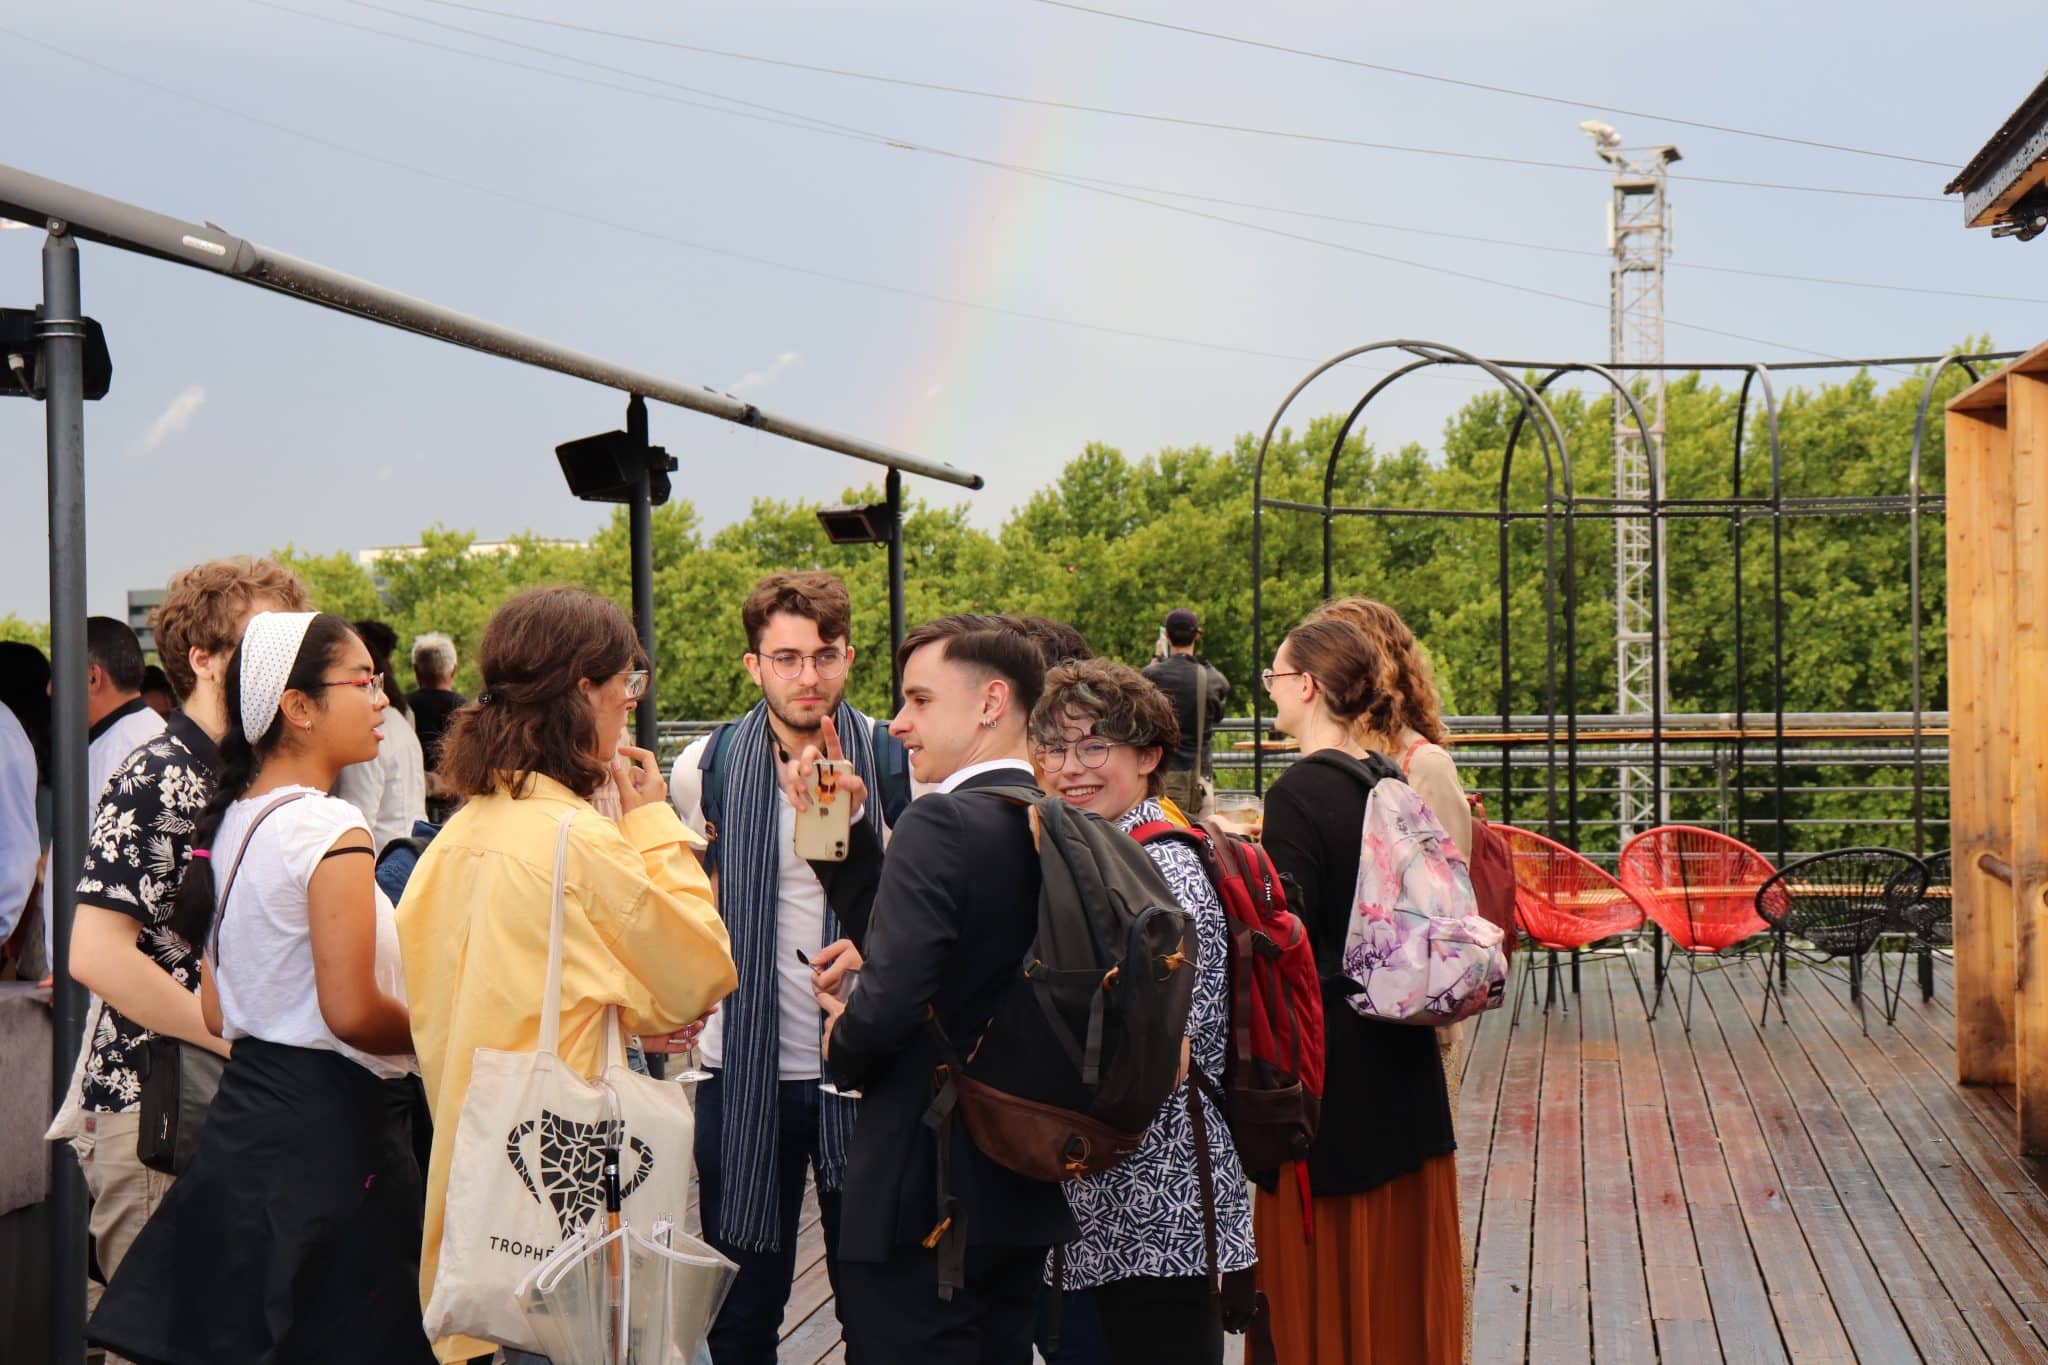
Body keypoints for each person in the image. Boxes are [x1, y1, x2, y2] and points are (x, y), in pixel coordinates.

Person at [396, 586, 736, 1365]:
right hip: (575, 1229)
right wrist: (652, 821)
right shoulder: (577, 841)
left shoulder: (457, 835)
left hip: (480, 1215)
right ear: (585, 688)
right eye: (629, 682)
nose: (631, 702)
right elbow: (701, 969)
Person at [88, 610, 433, 1364]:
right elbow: (350, 1011)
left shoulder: (237, 820)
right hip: (335, 1139)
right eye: (363, 680)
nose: (381, 698)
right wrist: (444, 1025)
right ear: (298, 707)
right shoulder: (327, 826)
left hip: (251, 1132)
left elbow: (216, 1008)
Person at [806, 614, 1076, 1365]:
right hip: (1011, 1176)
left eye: (919, 701)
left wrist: (843, 1043)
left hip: (923, 1189)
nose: (897, 724)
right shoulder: (1046, 819)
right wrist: (841, 823)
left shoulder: (943, 823)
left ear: (991, 702)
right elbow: (923, 948)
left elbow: (889, 999)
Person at [50, 557, 309, 1304]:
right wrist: (235, 1034)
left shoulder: (240, 772)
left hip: (206, 1108)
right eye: (259, 644)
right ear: (201, 658)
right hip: (154, 1112)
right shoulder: (159, 770)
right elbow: (94, 953)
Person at [665, 571, 894, 1365]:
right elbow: (696, 899)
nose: (808, 677)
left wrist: (870, 937)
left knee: (872, 1299)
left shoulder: (891, 756)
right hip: (741, 1065)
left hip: (860, 1060)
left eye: (824, 656)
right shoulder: (706, 763)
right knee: (741, 1304)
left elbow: (930, 904)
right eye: (787, 657)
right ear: (752, 664)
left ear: (848, 657)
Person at [1029, 659, 1253, 1365]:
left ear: (1149, 755)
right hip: (1112, 1208)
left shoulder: (1162, 867)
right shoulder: (1102, 852)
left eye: (1096, 745)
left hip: (1158, 1210)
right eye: (1056, 747)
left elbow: (1169, 1051)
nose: (1072, 767)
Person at [1254, 615, 1462, 1364]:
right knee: (1399, 1270)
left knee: (1327, 1277)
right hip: (1403, 1057)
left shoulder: (1299, 793)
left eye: (1275, 677)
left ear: (1306, 686)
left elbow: (1289, 944)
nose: (1271, 691)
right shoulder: (1387, 776)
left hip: (1334, 1068)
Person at [337, 619, 428, 855]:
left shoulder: (369, 731)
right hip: (409, 858)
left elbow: (357, 822)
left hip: (382, 868)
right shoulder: (398, 718)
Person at [1141, 609, 1228, 820]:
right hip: (1198, 779)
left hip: (1157, 781)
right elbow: (1216, 715)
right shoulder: (1212, 679)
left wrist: (1157, 657)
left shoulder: (1150, 675)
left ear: (1167, 636)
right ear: (1196, 635)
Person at [86, 615, 168, 808]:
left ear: (93, 678)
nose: (49, 689)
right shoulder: (156, 730)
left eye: (57, 674)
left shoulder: (114, 753)